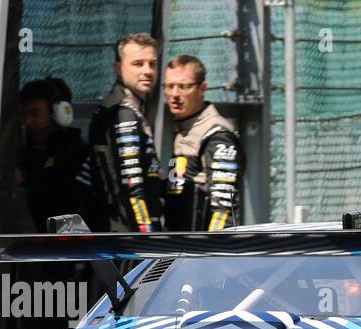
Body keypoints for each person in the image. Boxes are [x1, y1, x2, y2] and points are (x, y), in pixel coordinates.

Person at [83, 32, 162, 232]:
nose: (147, 71)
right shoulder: (123, 113)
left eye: (152, 64)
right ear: (118, 68)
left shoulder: (121, 106)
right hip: (126, 235)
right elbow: (132, 186)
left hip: (116, 229)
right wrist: (146, 236)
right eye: (138, 64)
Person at [163, 54, 243, 231]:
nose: (175, 94)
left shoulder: (218, 136)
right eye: (169, 86)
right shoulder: (184, 129)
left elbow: (224, 209)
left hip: (199, 250)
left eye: (184, 87)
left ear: (202, 88)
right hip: (177, 246)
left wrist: (210, 255)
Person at [15, 78, 89, 232]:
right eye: (24, 115)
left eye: (35, 113)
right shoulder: (22, 152)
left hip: (65, 243)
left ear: (57, 113)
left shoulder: (75, 151)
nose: (27, 121)